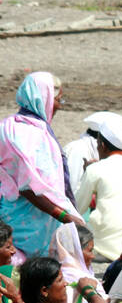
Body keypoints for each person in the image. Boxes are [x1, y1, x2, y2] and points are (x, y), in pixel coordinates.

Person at [0, 72, 80, 259]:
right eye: (57, 100)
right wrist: (62, 215)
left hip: (10, 212)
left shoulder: (6, 126)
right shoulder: (32, 134)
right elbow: (28, 186)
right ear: (44, 99)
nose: (59, 105)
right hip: (36, 217)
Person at [75, 116, 122, 263]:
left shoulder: (95, 169)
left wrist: (85, 175)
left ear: (102, 145)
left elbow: (76, 208)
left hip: (101, 249)